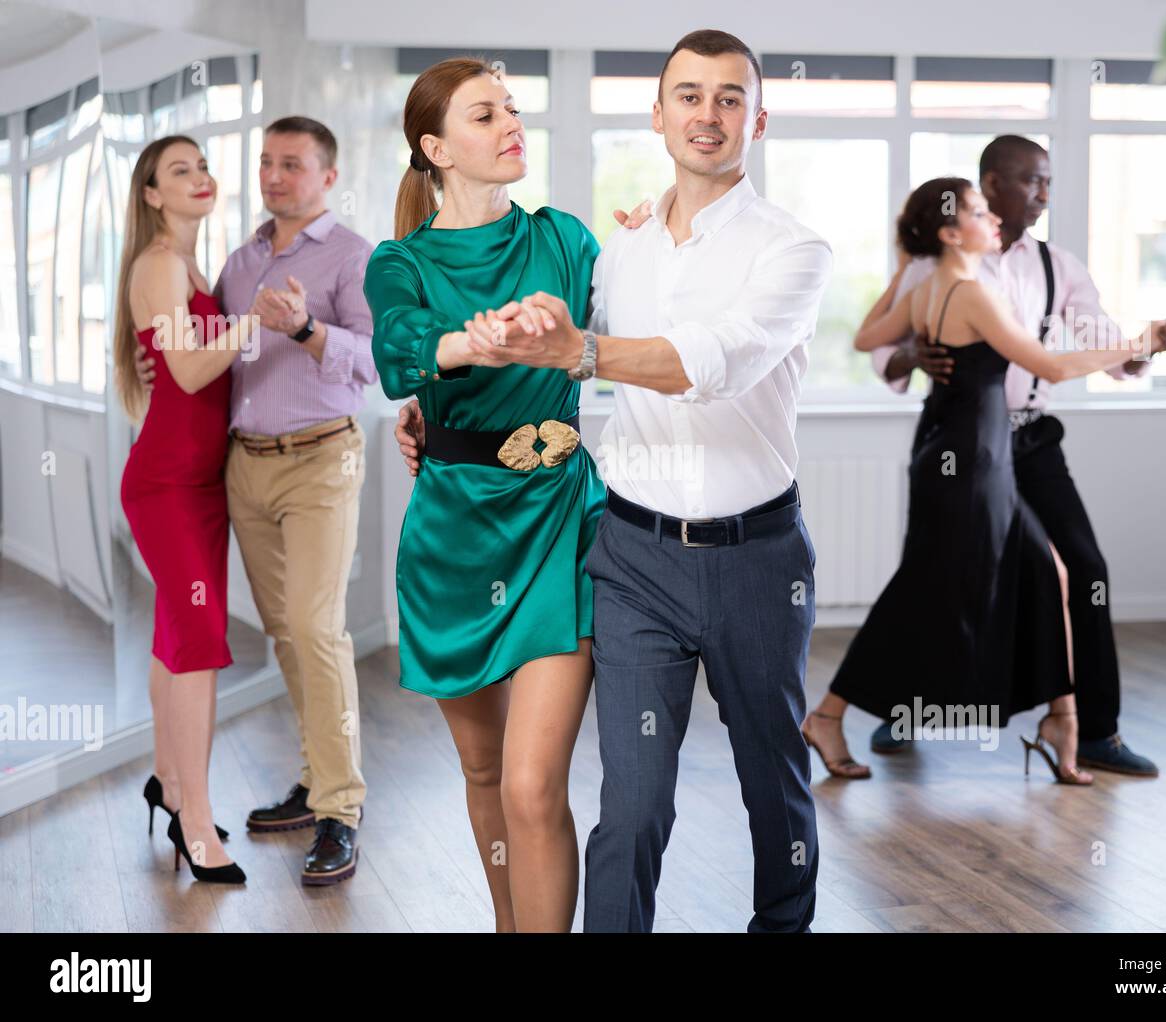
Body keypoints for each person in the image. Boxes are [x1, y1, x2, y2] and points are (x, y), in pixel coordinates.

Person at [402, 30, 832, 932]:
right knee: (631, 806)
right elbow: (538, 362)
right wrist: (440, 423)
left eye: (727, 98)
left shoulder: (794, 250)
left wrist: (586, 349)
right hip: (632, 558)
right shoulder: (621, 247)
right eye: (688, 95)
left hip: (756, 558)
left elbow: (714, 360)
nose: (706, 115)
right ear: (659, 114)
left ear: (758, 116)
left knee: (772, 781)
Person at [365, 56, 657, 932]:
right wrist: (469, 344)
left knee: (533, 785)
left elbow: (637, 329)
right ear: (436, 147)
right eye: (485, 115)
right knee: (486, 774)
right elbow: (399, 351)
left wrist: (651, 245)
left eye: (512, 109)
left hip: (559, 525)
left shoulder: (565, 238)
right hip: (455, 538)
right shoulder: (399, 262)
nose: (510, 125)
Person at [803, 135, 1166, 777]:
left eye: (1048, 181)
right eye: (1031, 180)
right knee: (939, 577)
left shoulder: (1056, 266)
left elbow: (1097, 343)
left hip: (1027, 441)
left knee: (1075, 570)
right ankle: (905, 710)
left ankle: (1087, 728)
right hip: (962, 445)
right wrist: (910, 354)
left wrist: (1146, 346)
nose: (1043, 193)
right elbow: (878, 347)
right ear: (991, 185)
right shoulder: (942, 269)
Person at [134, 116, 377, 885]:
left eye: (294, 164)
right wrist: (156, 367)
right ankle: (307, 781)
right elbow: (198, 363)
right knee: (282, 631)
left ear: (326, 176)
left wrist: (305, 327)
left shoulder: (353, 255)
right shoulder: (234, 263)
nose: (275, 176)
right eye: (266, 162)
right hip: (240, 469)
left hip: (321, 460)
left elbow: (377, 363)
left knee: (314, 625)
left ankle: (340, 806)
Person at [116, 135, 261, 883]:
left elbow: (167, 369)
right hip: (169, 486)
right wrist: (252, 321)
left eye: (202, 165)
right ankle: (196, 827)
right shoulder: (162, 263)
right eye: (181, 170)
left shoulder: (192, 266)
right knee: (200, 640)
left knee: (175, 633)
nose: (201, 177)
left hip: (199, 483)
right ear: (151, 195)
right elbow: (188, 367)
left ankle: (169, 785)